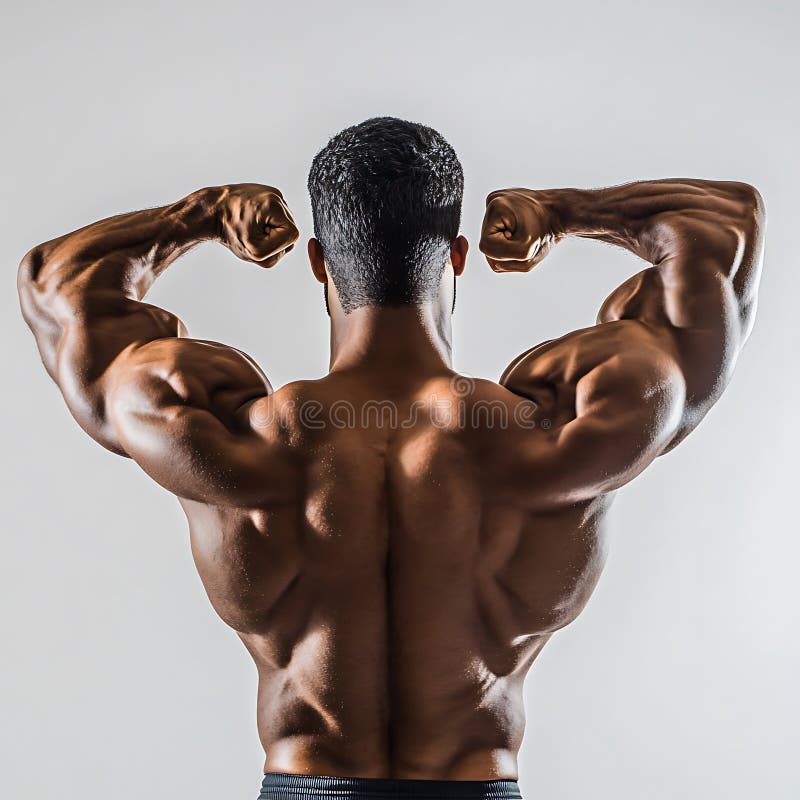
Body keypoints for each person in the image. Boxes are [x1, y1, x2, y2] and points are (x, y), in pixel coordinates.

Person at [18, 117, 765, 800]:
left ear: (318, 260)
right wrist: (562, 213)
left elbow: (57, 285)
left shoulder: (224, 433)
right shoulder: (562, 430)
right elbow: (722, 224)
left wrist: (202, 215)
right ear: (459, 256)